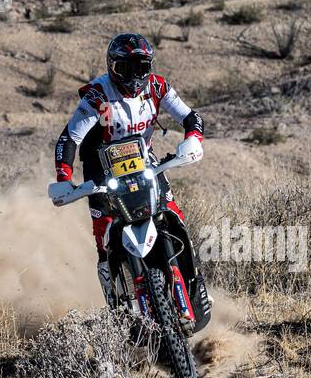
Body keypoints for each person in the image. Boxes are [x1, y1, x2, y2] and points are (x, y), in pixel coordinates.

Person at [53, 32, 212, 329]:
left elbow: (191, 117)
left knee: (173, 217)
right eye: (126, 68)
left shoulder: (156, 86)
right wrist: (64, 177)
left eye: (141, 67)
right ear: (112, 66)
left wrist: (193, 140)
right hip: (102, 172)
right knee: (104, 240)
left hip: (144, 164)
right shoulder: (98, 96)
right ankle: (117, 308)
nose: (135, 76)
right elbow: (70, 137)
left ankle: (195, 281)